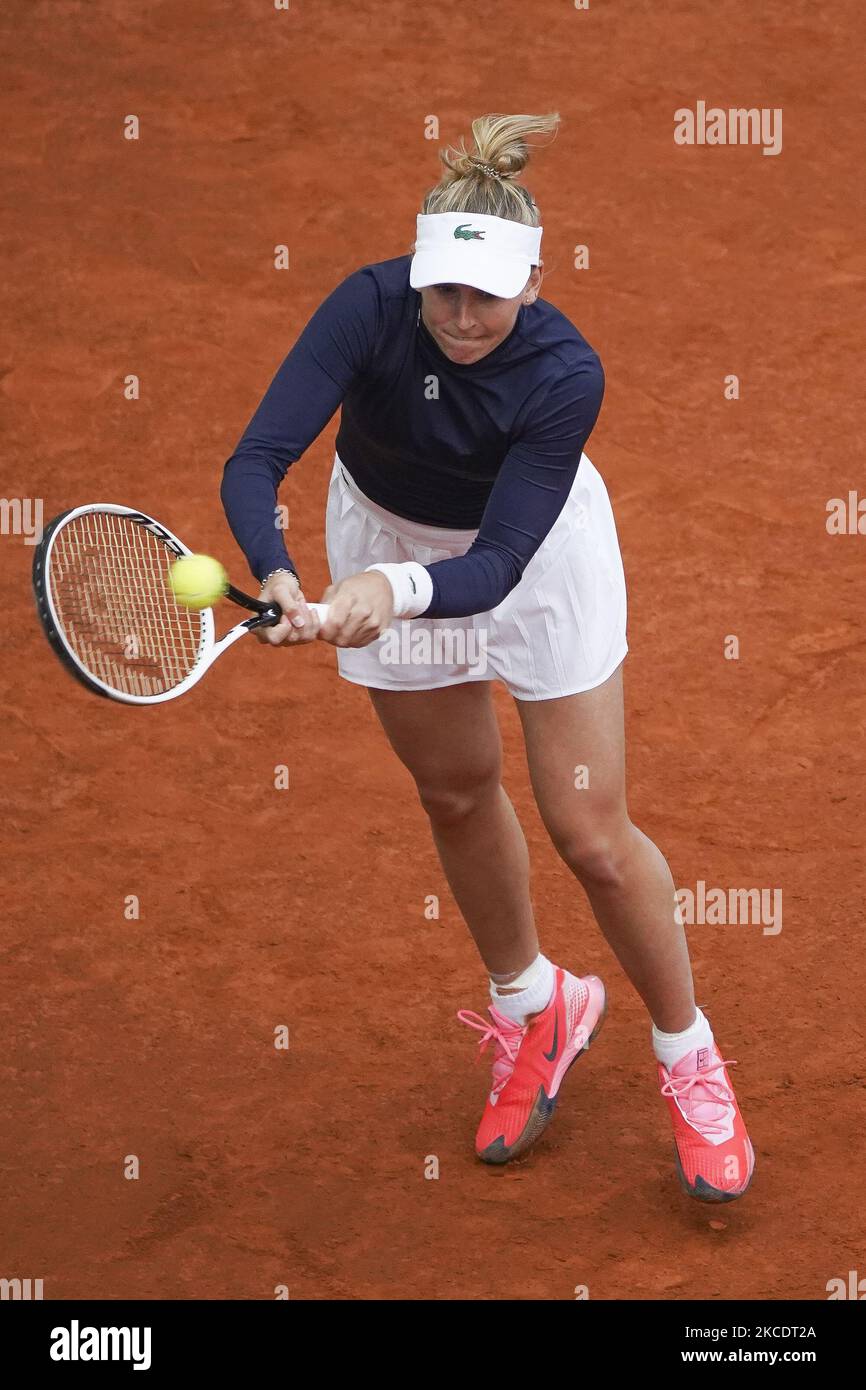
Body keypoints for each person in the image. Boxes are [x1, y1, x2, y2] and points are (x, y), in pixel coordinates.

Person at [221, 112, 755, 1202]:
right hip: (381, 534)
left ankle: (687, 1053)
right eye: (442, 293)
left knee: (590, 832)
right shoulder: (367, 308)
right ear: (415, 276)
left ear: (533, 283)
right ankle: (533, 1007)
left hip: (532, 559)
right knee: (454, 790)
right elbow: (259, 455)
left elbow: (503, 558)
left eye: (487, 296)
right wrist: (277, 571)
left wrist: (390, 594)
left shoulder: (564, 373)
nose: (461, 318)